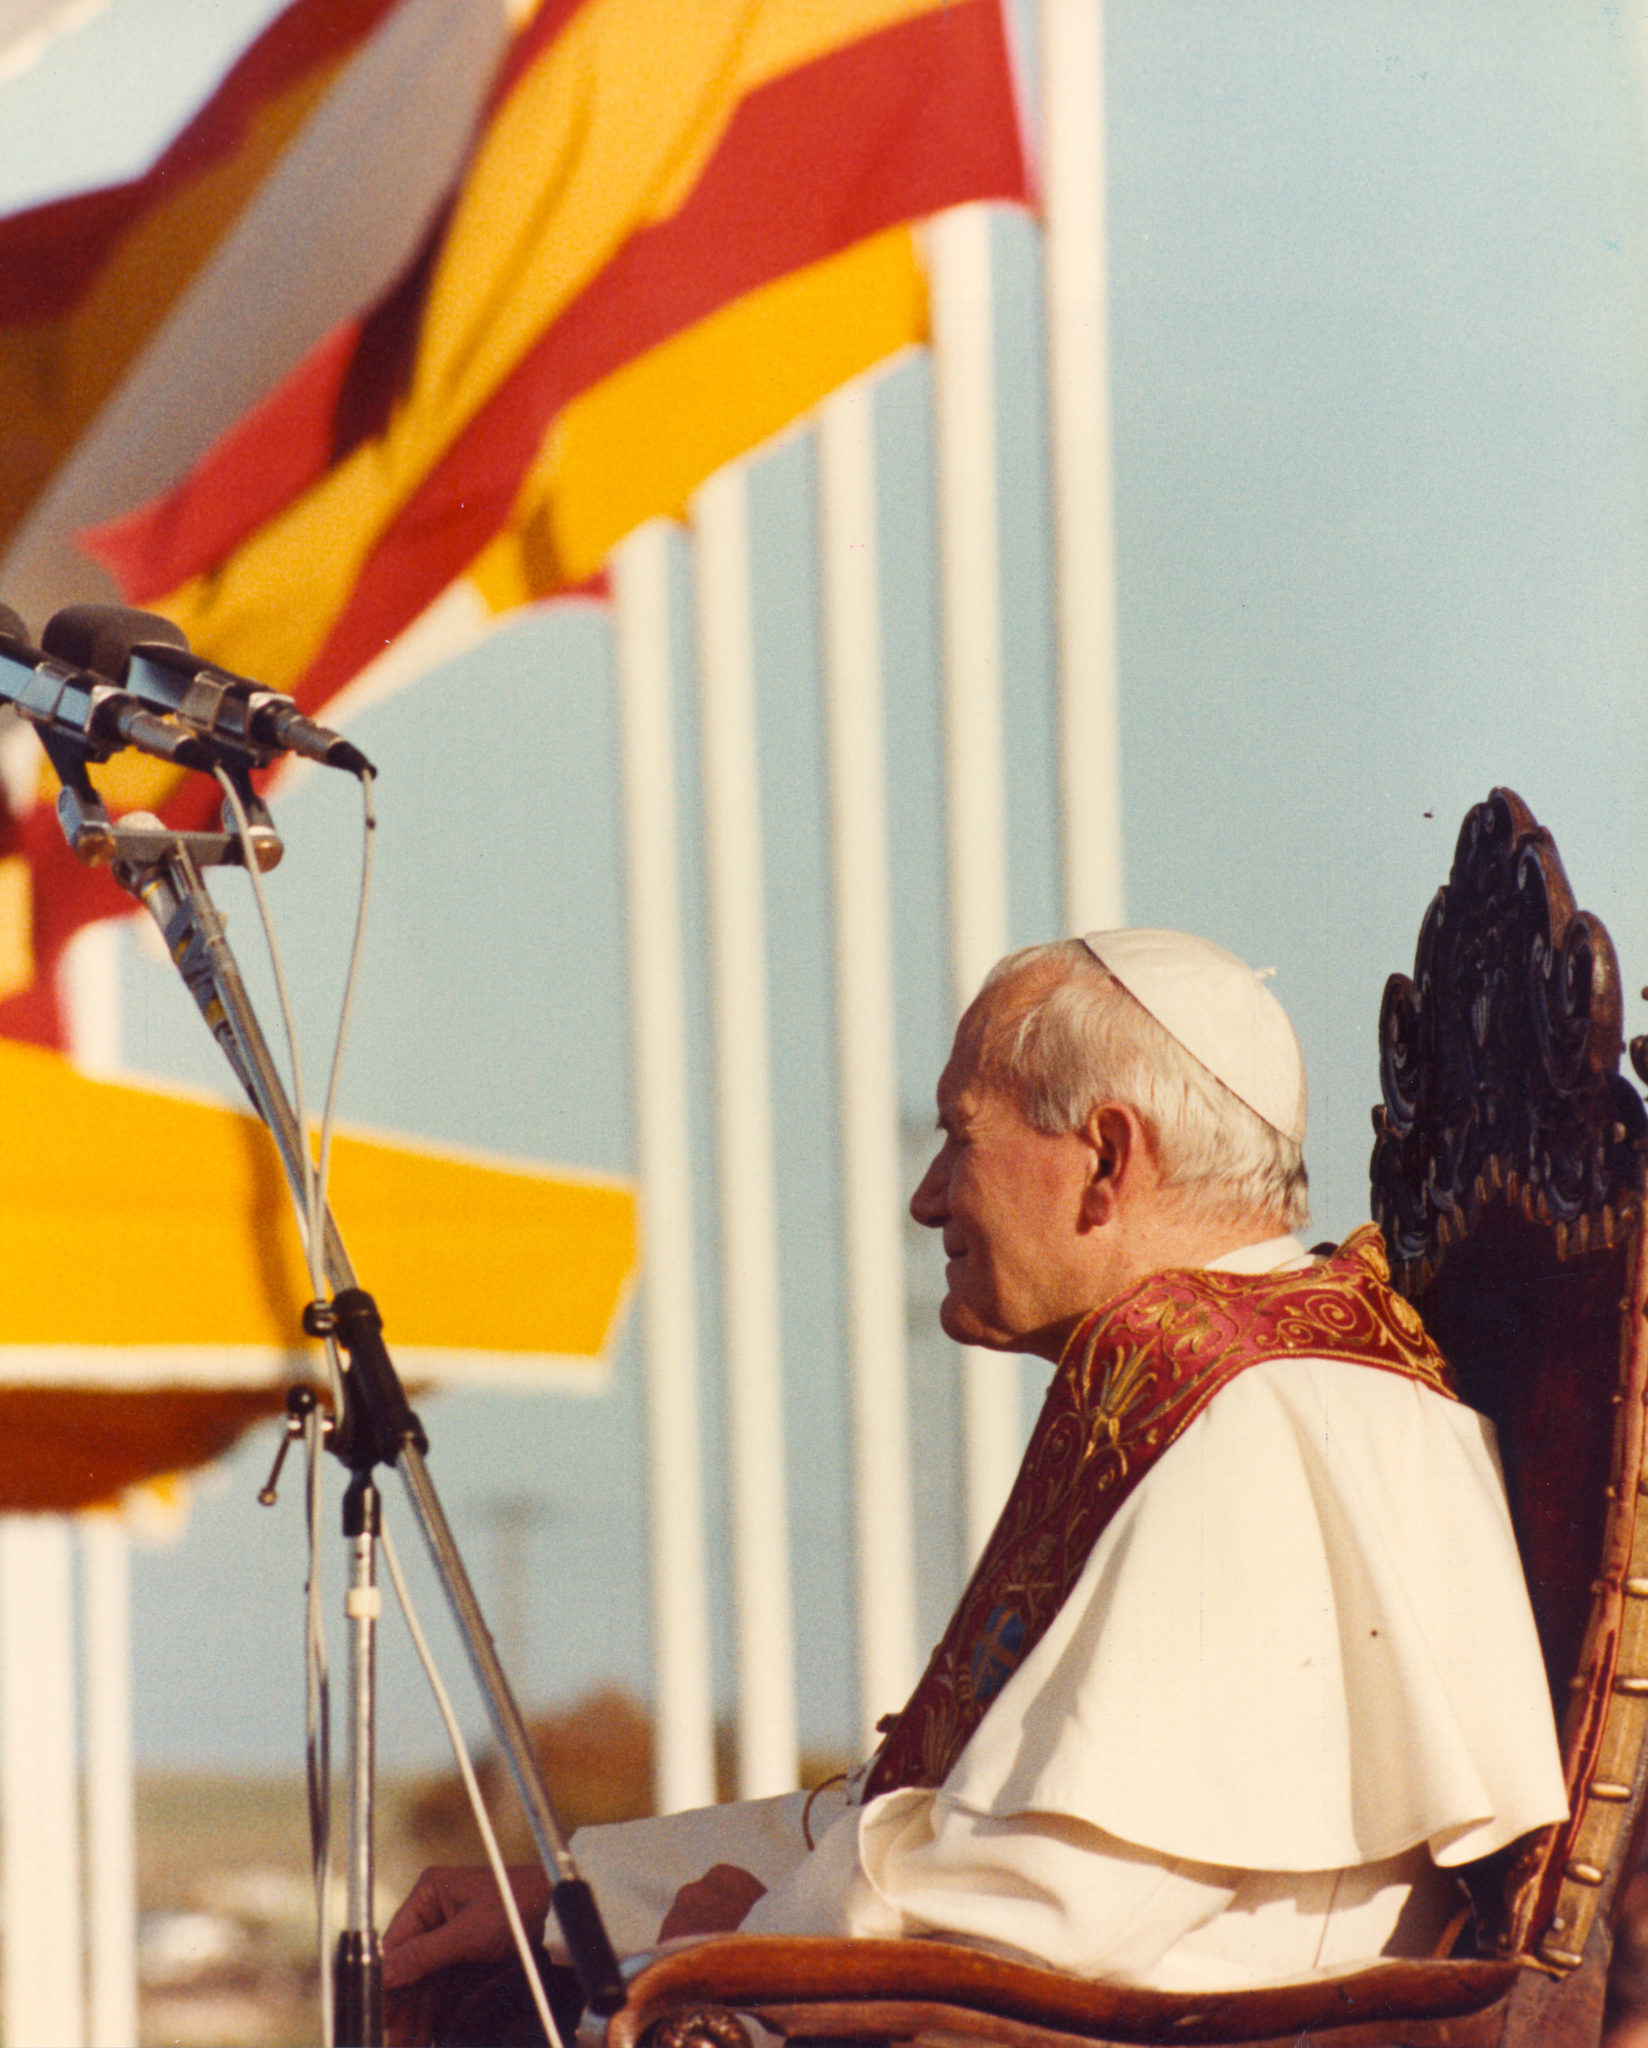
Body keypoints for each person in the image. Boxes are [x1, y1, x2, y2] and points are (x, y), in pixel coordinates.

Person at [384, 931, 1568, 2039]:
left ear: (1106, 1158)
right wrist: (572, 1896)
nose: (927, 1195)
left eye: (959, 1135)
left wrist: (752, 1938)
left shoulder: (1253, 1411)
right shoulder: (1225, 1381)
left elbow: (1054, 1899)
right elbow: (921, 1810)